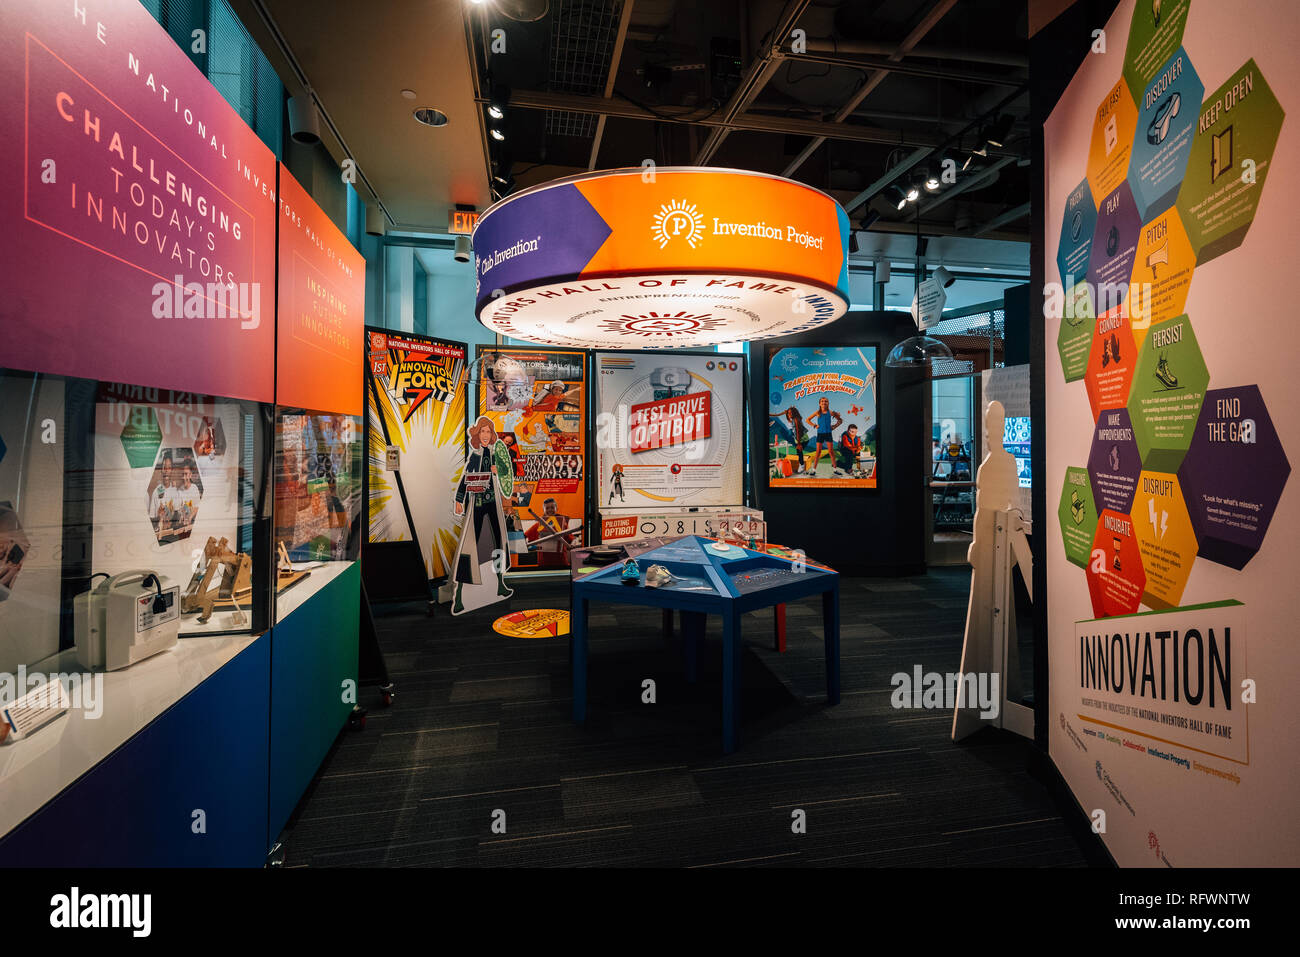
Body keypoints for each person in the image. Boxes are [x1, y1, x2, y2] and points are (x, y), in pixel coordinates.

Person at [451, 416, 514, 613]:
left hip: (492, 504)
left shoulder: (496, 455)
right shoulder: (475, 456)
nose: (486, 435)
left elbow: (507, 478)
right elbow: (465, 479)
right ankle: (460, 594)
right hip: (477, 505)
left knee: (497, 543)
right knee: (469, 547)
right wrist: (459, 499)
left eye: (488, 431)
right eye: (482, 431)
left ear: (492, 435)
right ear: (478, 435)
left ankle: (500, 584)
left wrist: (498, 471)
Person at [804, 397, 842, 474]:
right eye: (822, 401)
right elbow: (807, 420)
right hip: (820, 434)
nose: (824, 402)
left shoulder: (830, 412)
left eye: (826, 401)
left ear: (828, 403)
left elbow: (840, 420)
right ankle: (814, 470)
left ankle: (835, 470)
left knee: (831, 452)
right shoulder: (817, 412)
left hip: (828, 433)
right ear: (819, 403)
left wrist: (834, 426)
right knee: (818, 452)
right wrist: (814, 425)